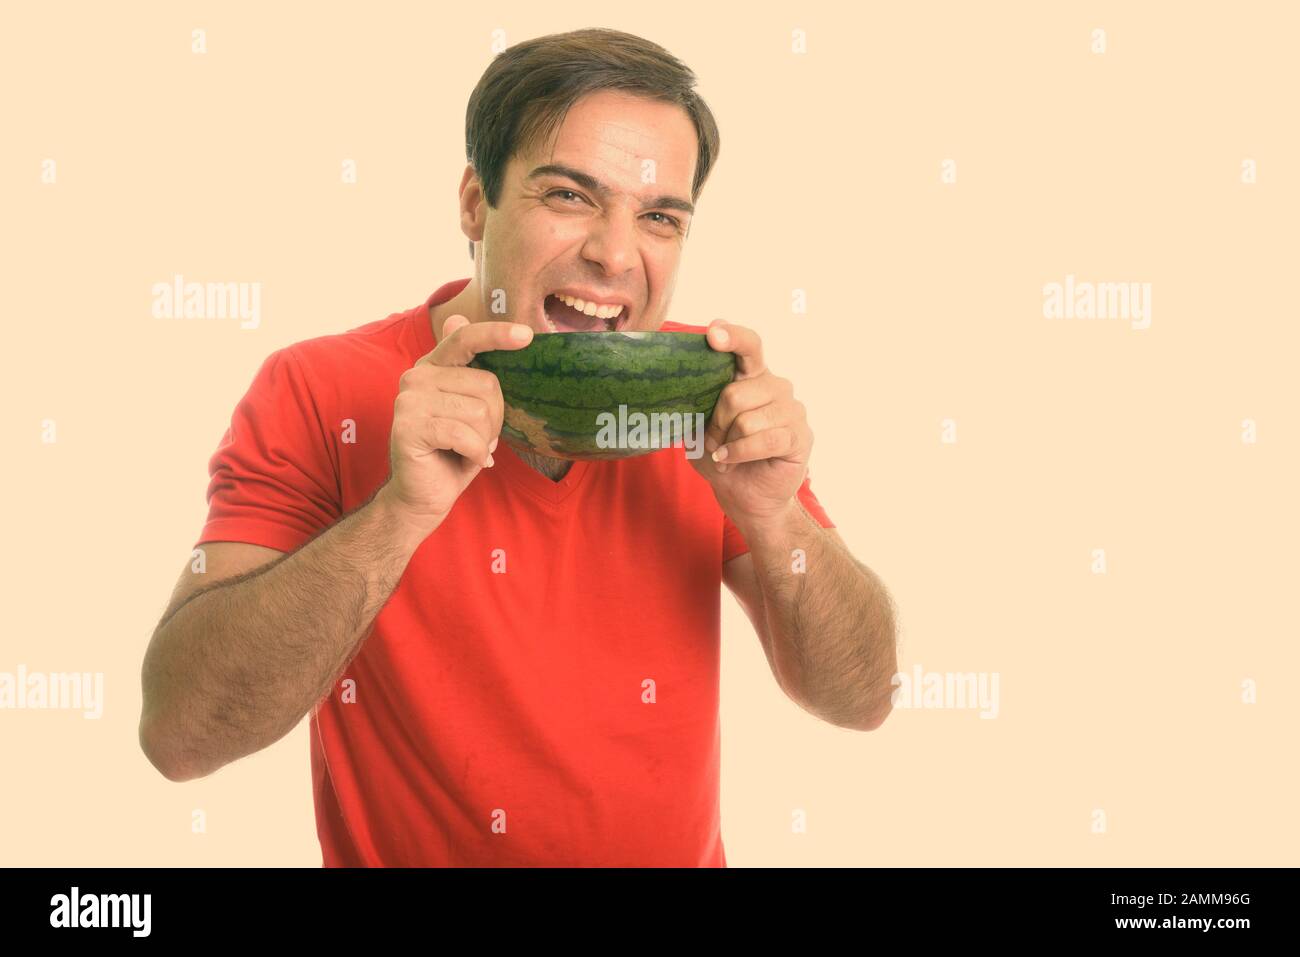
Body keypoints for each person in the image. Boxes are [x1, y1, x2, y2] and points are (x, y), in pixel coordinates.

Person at [139, 27, 898, 867]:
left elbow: (861, 699)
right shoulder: (318, 390)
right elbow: (182, 736)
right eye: (570, 196)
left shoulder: (701, 395)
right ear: (474, 201)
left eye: (657, 217)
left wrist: (775, 516)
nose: (614, 253)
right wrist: (399, 515)